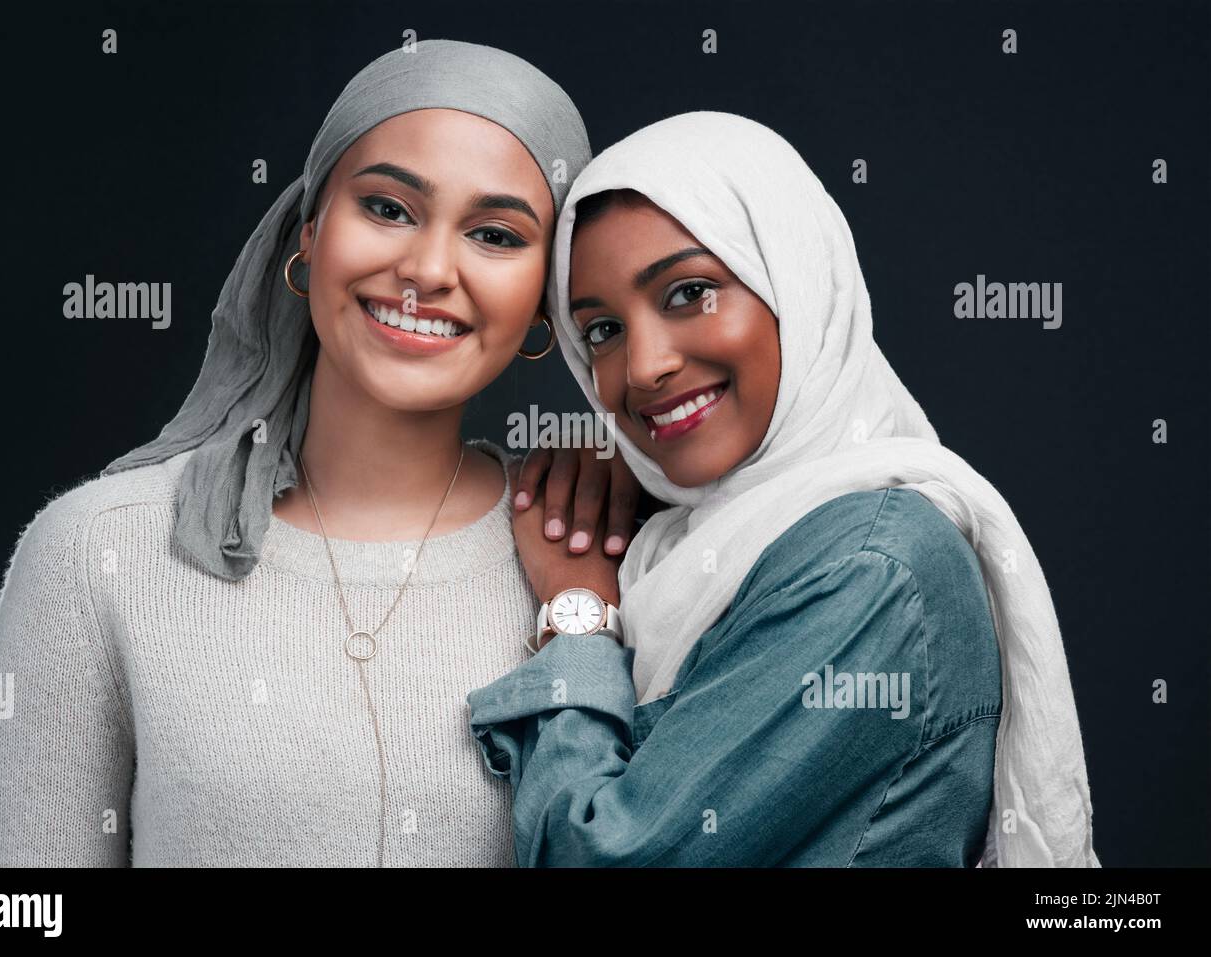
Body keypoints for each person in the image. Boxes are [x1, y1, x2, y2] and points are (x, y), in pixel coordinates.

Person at [0, 39, 636, 867]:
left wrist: (588, 604)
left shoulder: (600, 549)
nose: (426, 268)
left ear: (545, 307)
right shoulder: (100, 552)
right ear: (306, 234)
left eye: (495, 234)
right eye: (387, 208)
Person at [471, 111, 1101, 867]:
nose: (642, 368)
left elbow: (603, 856)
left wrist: (577, 619)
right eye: (602, 330)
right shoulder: (688, 541)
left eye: (687, 292)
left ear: (795, 286)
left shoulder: (869, 569)